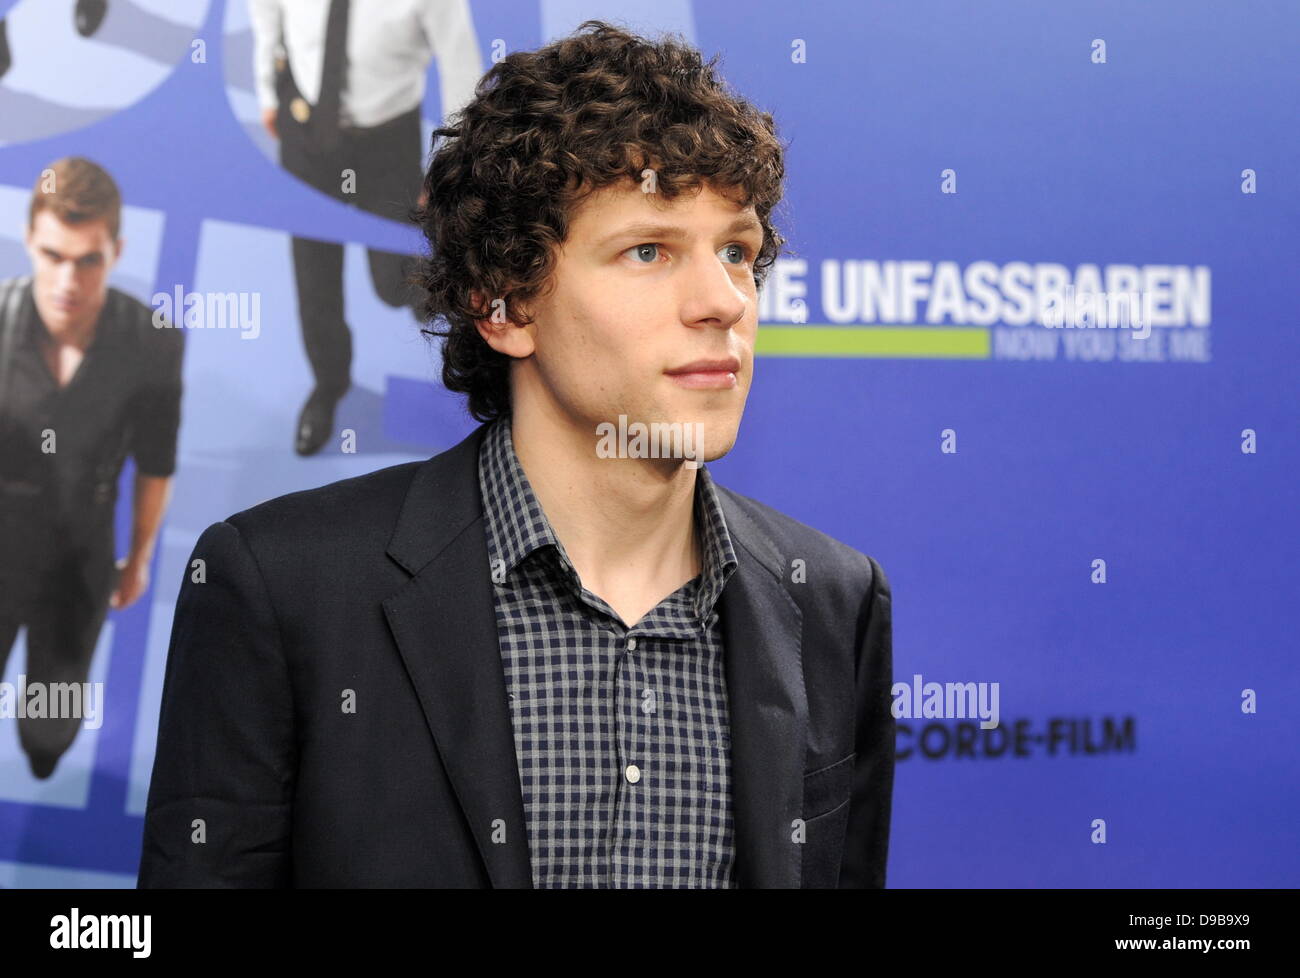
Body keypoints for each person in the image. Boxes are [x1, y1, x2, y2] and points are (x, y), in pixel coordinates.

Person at [138, 20, 893, 888]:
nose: (722, 300)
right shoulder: (282, 588)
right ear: (505, 306)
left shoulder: (834, 601)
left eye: (737, 251)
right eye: (649, 250)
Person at [0, 157, 184, 779]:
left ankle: (43, 753)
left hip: (82, 547)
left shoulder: (154, 341)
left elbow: (156, 462)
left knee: (51, 726)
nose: (66, 282)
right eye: (52, 255)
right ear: (29, 240)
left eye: (88, 260)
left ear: (116, 250)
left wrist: (138, 558)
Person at [247, 0, 483, 455]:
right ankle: (329, 384)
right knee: (313, 273)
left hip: (386, 142)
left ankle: (424, 296)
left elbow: (459, 65)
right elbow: (265, 11)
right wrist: (266, 87)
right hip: (307, 129)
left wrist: (447, 165)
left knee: (392, 281)